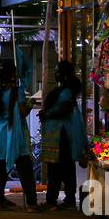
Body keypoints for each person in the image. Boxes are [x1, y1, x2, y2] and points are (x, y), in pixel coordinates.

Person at [0, 59, 38, 210]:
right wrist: (31, 104)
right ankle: (32, 204)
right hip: (16, 132)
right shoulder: (18, 91)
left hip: (1, 133)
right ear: (13, 74)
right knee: (24, 168)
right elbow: (22, 112)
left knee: (0, 169)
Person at [39, 61, 87, 209]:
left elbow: (64, 110)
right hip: (59, 135)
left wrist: (47, 114)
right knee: (64, 168)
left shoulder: (66, 92)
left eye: (58, 71)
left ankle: (56, 200)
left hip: (61, 136)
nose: (56, 74)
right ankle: (66, 199)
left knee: (58, 169)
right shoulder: (65, 91)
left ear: (64, 74)